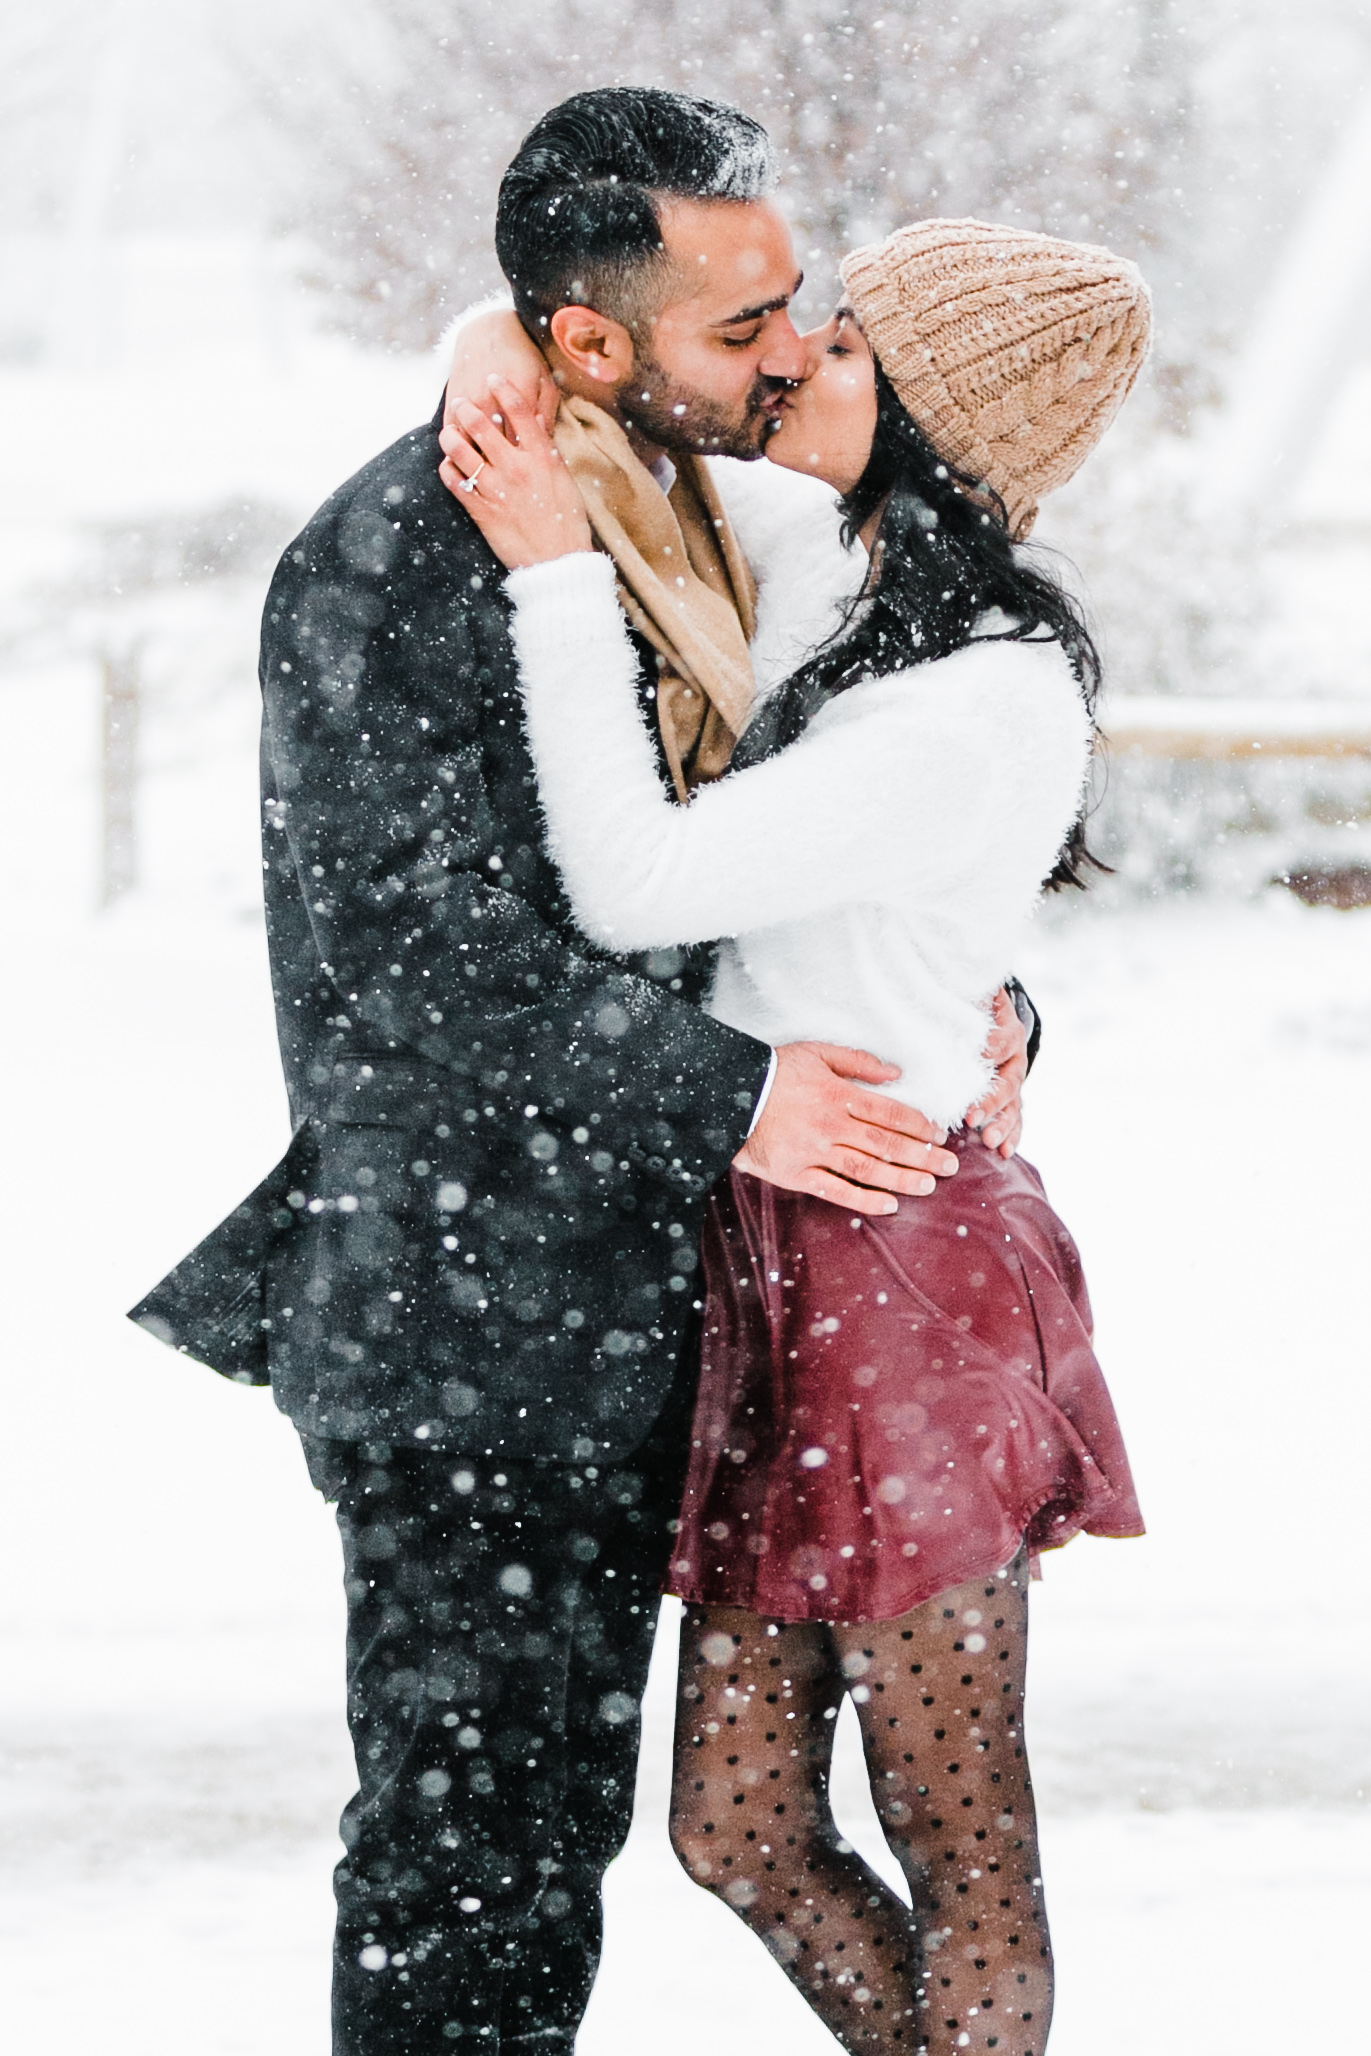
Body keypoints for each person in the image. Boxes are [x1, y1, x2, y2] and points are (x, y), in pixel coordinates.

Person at [127, 92, 1032, 2056]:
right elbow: (413, 951)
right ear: (593, 341)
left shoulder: (678, 515)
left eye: (792, 304)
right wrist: (734, 1095)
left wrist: (973, 996)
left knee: (561, 1847)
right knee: (468, 1855)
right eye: (742, 323)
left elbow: (793, 836)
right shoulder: (405, 554)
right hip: (471, 1316)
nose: (785, 351)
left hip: (640, 1306)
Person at [436, 216, 1149, 2056]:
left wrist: (551, 577)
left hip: (901, 1265)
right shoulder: (844, 572)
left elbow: (636, 877)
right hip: (778, 1251)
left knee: (958, 1837)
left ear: (928, 422)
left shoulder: (970, 697)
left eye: (837, 349)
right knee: (735, 1828)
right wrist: (515, 346)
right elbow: (519, 342)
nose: (788, 364)